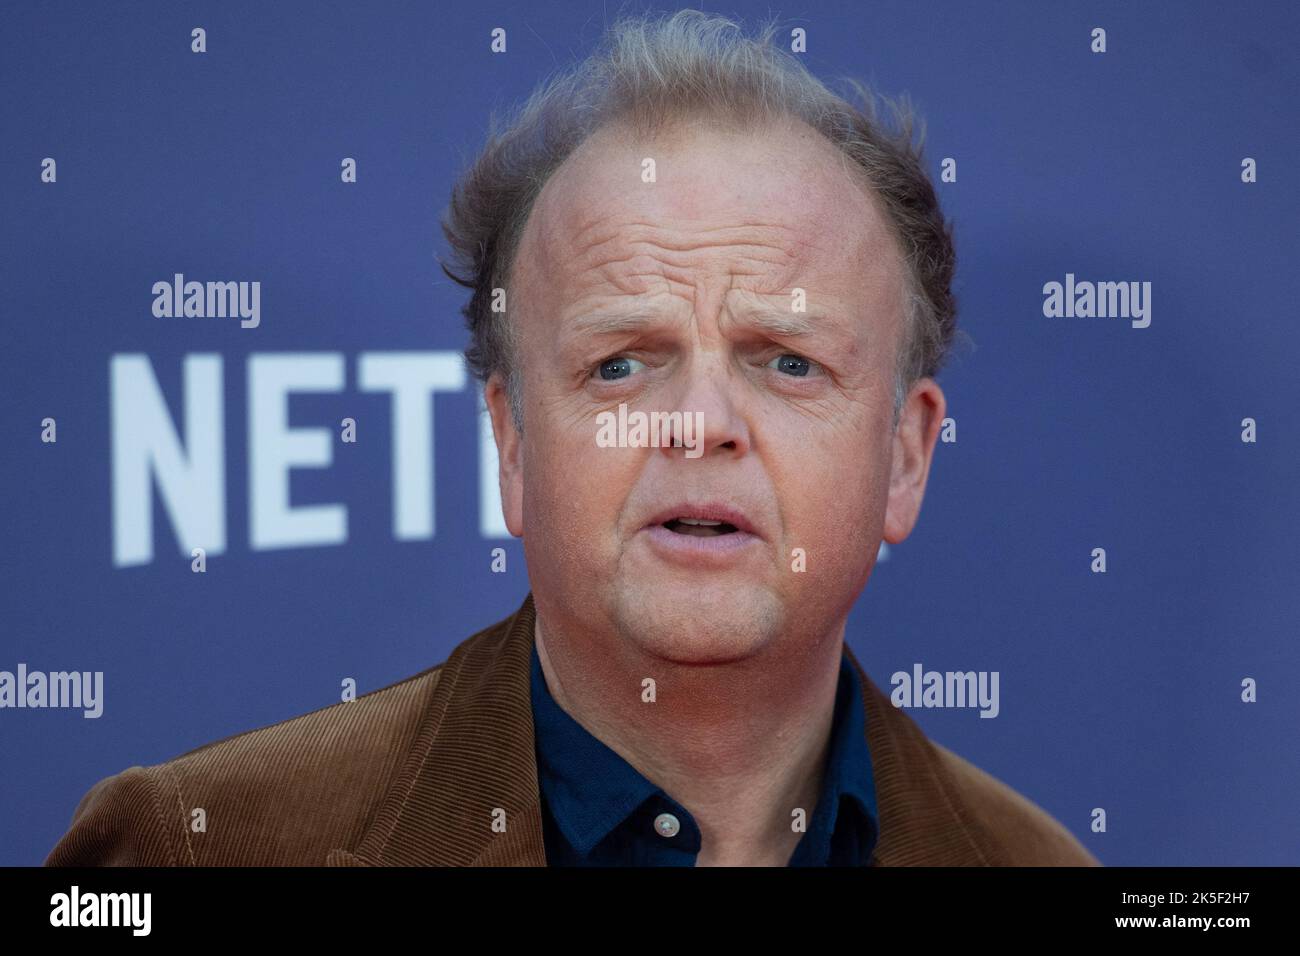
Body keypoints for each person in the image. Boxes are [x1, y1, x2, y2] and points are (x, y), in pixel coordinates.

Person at [46, 9, 1098, 867]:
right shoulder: (195, 845)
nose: (700, 424)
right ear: (510, 441)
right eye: (621, 363)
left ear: (906, 457)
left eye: (785, 359)